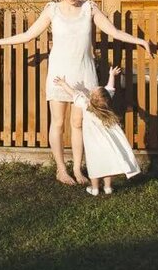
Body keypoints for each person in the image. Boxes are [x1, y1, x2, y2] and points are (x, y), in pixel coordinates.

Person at [0, 0, 153, 185]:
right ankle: (61, 169)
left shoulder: (89, 8)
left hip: (84, 74)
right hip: (59, 74)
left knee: (78, 123)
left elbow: (114, 31)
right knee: (58, 122)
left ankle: (78, 168)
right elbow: (29, 35)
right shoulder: (52, 10)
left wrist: (141, 42)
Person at [53, 66, 140, 195]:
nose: (95, 88)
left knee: (95, 165)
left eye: (94, 90)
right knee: (107, 164)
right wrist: (112, 75)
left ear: (93, 98)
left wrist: (63, 84)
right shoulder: (105, 105)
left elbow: (73, 93)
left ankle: (94, 189)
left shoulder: (86, 105)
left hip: (93, 145)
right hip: (106, 144)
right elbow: (109, 89)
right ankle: (108, 187)